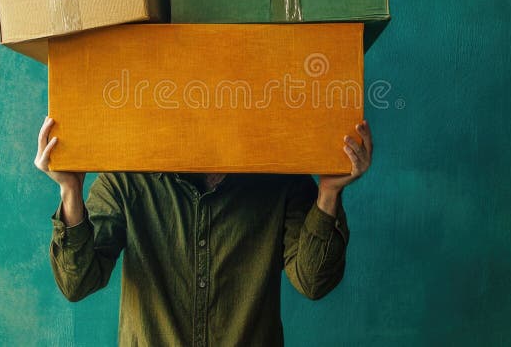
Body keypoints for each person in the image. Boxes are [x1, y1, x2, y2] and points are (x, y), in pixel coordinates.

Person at [35, 115, 373, 346]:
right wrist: (70, 192)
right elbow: (78, 283)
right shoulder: (125, 180)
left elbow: (313, 281)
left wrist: (328, 193)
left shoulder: (281, 178)